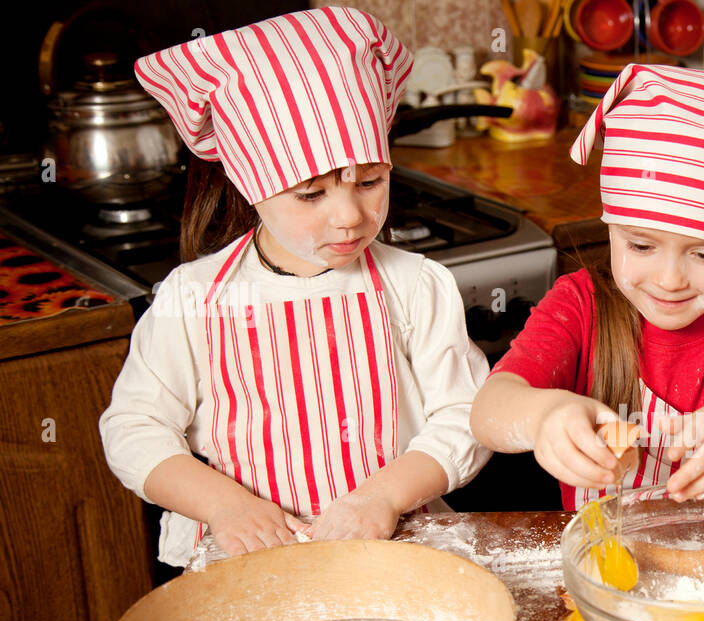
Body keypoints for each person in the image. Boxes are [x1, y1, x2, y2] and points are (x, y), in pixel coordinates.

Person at [100, 8, 490, 566]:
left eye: (370, 181)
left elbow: (465, 415)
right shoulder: (194, 296)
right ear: (249, 184)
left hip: (398, 546)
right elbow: (134, 428)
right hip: (246, 555)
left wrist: (382, 496)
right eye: (311, 195)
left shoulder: (416, 285)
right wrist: (225, 505)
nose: (349, 217)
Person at [470, 65, 704, 508]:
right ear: (610, 230)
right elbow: (488, 411)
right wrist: (543, 416)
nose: (669, 280)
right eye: (641, 245)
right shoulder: (580, 305)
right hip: (604, 565)